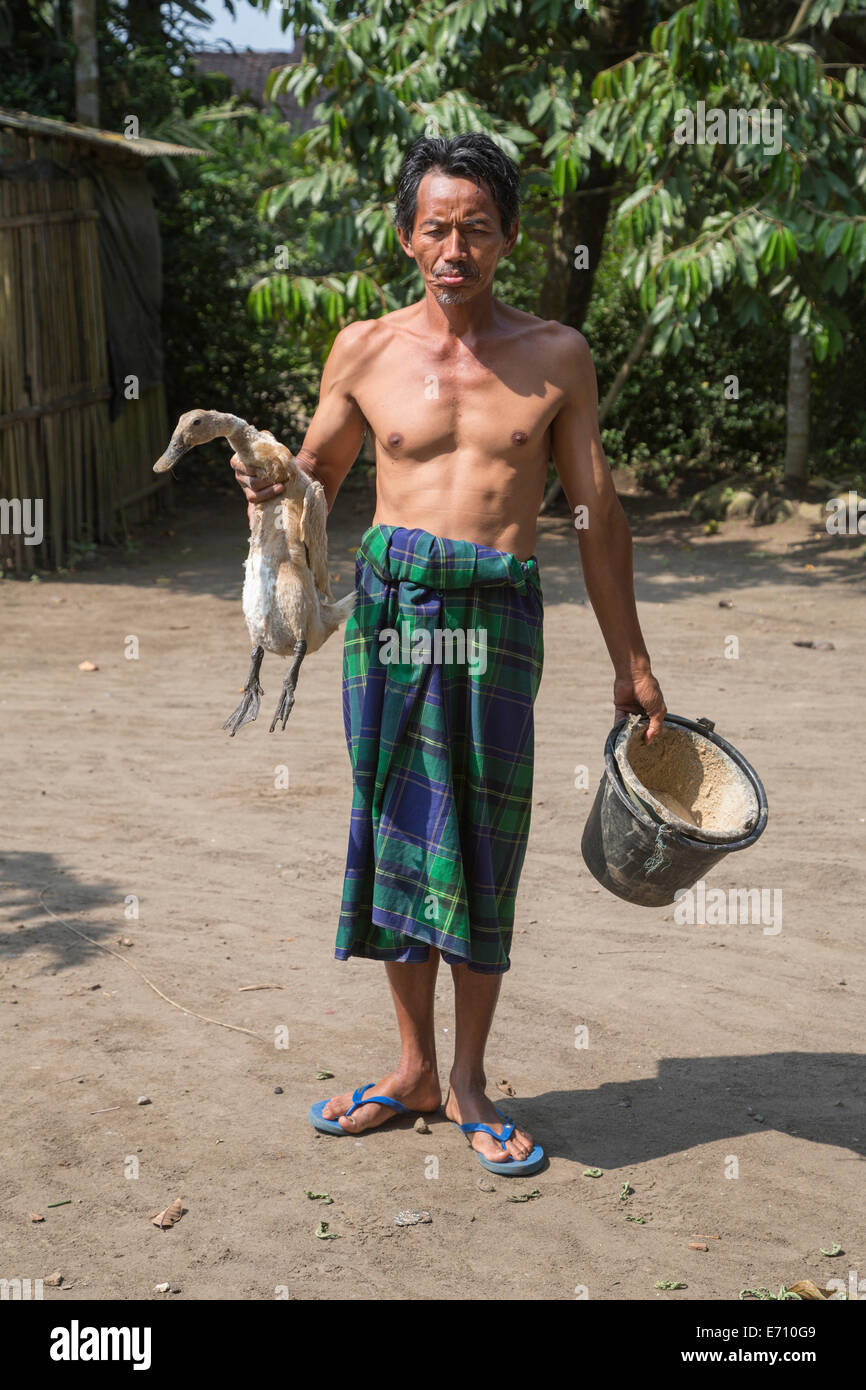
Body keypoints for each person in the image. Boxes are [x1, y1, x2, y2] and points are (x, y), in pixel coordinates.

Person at [232, 133, 666, 1172]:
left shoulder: (556, 356)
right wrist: (275, 489)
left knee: (480, 844)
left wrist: (632, 660)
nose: (454, 247)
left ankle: (467, 1077)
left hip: (496, 624)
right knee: (394, 836)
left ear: (508, 237)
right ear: (404, 235)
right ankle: (412, 1066)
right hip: (389, 615)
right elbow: (319, 477)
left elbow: (594, 515)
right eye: (436, 227)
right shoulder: (364, 350)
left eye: (476, 227)